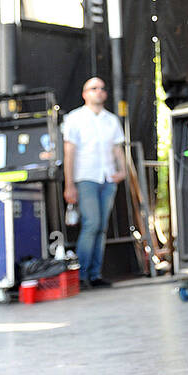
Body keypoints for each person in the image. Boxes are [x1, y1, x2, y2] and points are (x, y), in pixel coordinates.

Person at [62, 79, 125, 290]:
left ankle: (95, 274)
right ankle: (80, 275)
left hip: (107, 177)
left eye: (101, 89)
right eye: (93, 89)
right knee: (92, 224)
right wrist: (69, 184)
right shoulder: (75, 118)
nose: (98, 92)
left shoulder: (111, 120)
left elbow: (117, 149)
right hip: (86, 177)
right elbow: (69, 152)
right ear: (84, 94)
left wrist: (122, 170)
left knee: (101, 227)